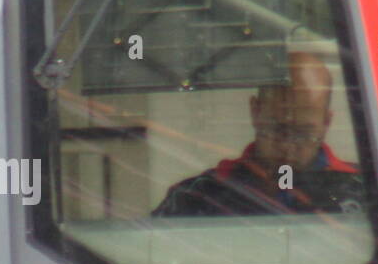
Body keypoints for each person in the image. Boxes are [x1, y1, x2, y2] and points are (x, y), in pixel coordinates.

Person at [152, 52, 364, 217]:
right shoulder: (195, 197)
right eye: (277, 129)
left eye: (303, 134)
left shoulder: (362, 191)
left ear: (326, 123)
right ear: (255, 111)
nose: (288, 147)